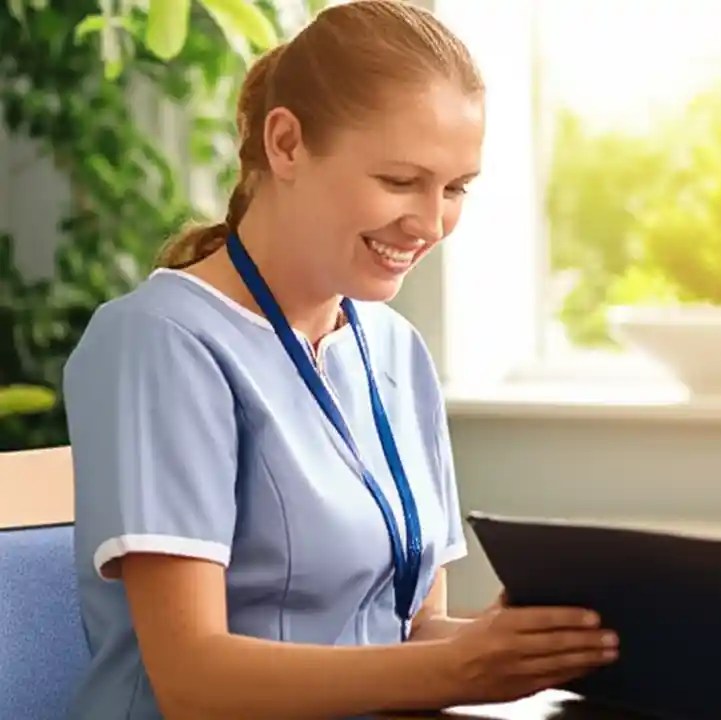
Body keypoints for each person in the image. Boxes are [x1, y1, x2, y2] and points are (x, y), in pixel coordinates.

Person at [61, 3, 617, 718]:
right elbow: (192, 681)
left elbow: (409, 634)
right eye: (398, 181)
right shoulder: (160, 341)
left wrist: (532, 644)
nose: (429, 223)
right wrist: (460, 666)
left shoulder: (392, 349)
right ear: (287, 144)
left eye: (454, 189)